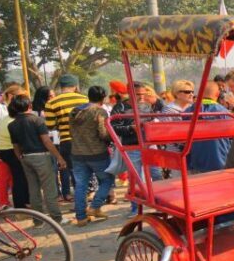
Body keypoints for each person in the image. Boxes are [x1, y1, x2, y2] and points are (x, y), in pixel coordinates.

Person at [8, 95, 68, 224]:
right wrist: (59, 157)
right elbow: (46, 141)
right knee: (49, 188)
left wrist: (20, 158)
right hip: (41, 156)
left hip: (25, 157)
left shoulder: (12, 125)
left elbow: (15, 146)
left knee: (33, 189)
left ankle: (38, 221)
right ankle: (57, 218)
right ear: (29, 105)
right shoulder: (37, 120)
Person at [111, 81, 163, 216]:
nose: (141, 97)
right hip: (132, 147)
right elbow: (114, 128)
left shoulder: (147, 105)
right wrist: (130, 128)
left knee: (157, 174)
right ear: (129, 93)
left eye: (143, 94)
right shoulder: (119, 107)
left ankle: (161, 203)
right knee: (135, 178)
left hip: (148, 145)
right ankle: (135, 208)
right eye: (138, 94)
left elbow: (151, 120)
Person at [69, 86, 114, 226]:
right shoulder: (99, 112)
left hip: (77, 153)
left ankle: (81, 217)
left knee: (81, 186)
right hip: (97, 153)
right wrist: (111, 140)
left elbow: (71, 132)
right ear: (103, 97)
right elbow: (103, 133)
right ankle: (94, 207)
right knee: (107, 180)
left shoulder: (74, 111)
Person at [44, 74, 88, 202]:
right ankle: (85, 200)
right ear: (75, 86)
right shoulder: (85, 99)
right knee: (86, 171)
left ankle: (80, 202)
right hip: (86, 140)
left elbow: (51, 126)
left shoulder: (52, 103)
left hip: (66, 141)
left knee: (75, 172)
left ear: (61, 86)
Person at [185, 81, 232, 174]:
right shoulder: (225, 113)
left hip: (196, 163)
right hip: (221, 164)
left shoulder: (187, 112)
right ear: (217, 94)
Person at [0, 87, 29, 208]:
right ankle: (21, 205)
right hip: (11, 150)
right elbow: (17, 141)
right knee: (19, 178)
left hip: (4, 150)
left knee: (15, 177)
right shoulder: (13, 121)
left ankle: (22, 203)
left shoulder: (6, 119)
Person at [0, 84, 21, 206]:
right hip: (1, 147)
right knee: (4, 176)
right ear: (11, 95)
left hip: (12, 146)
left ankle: (17, 202)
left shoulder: (10, 107)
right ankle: (3, 203)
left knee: (14, 176)